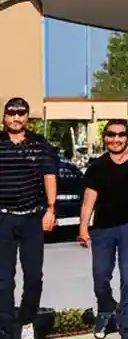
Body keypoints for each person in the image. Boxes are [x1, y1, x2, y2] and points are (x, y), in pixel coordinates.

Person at [77, 119, 128, 339]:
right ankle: (105, 308)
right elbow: (88, 201)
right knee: (101, 277)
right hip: (103, 230)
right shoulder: (97, 167)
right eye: (111, 135)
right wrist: (83, 228)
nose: (116, 139)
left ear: (127, 137)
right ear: (105, 138)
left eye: (121, 135)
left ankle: (127, 327)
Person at [0, 97, 58, 339]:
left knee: (33, 275)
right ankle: (4, 328)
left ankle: (25, 322)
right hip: (3, 219)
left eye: (20, 113)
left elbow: (49, 176)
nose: (16, 118)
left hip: (33, 218)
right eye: (11, 113)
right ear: (4, 117)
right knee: (3, 279)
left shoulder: (39, 144)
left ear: (27, 117)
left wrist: (51, 209)